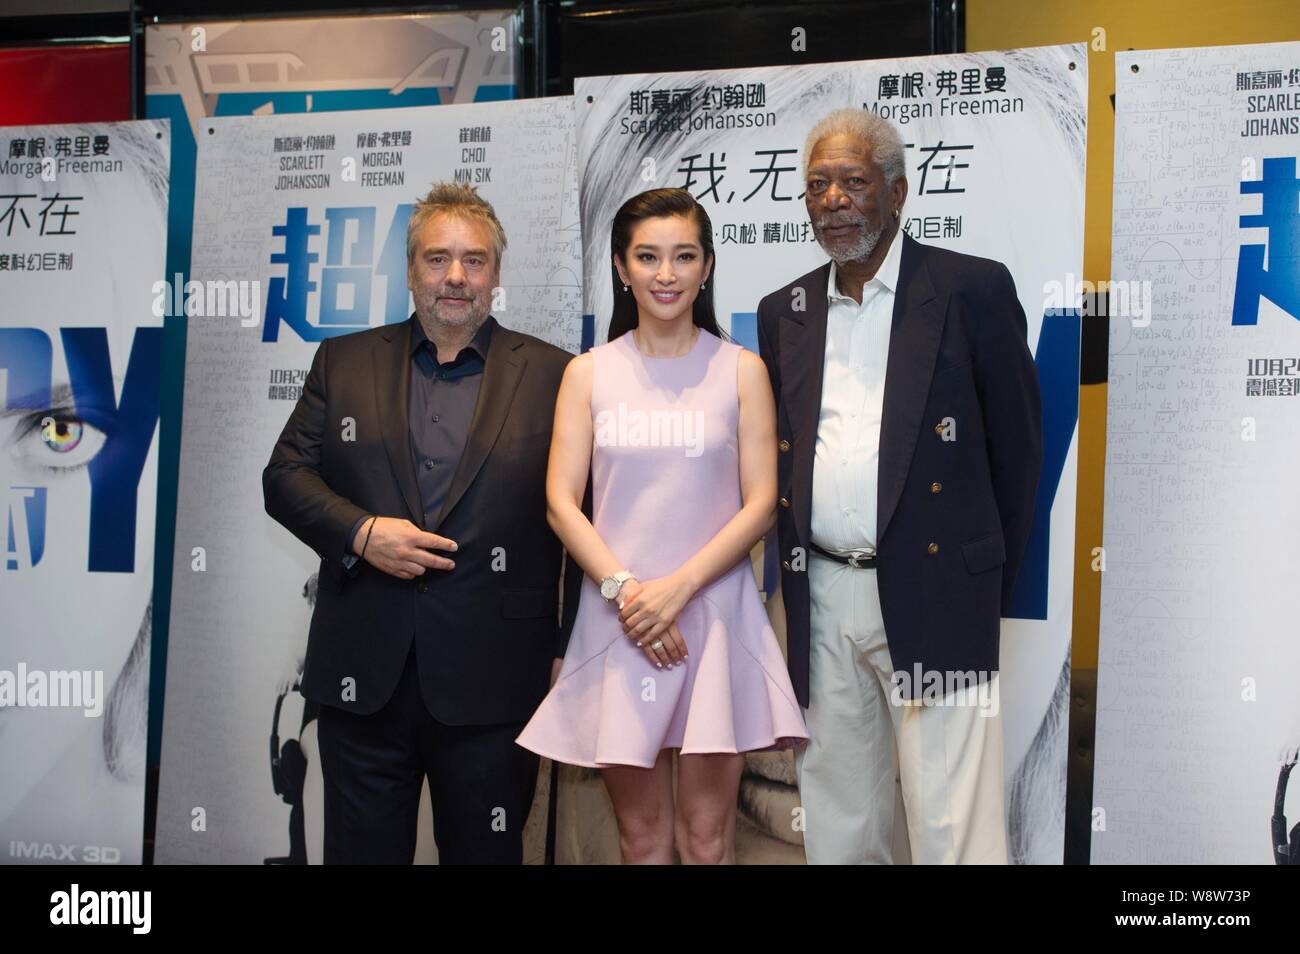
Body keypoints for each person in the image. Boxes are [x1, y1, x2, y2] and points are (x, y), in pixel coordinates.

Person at [756, 109, 1043, 864]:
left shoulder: (970, 290)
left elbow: (1018, 454)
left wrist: (982, 580)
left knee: (953, 821)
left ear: (898, 192)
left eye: (853, 181)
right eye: (817, 185)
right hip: (822, 592)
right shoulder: (784, 310)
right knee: (840, 811)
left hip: (939, 584)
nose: (833, 200)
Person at [263, 182, 579, 864]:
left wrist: (573, 643)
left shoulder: (558, 375)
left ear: (496, 272)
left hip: (497, 685)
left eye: (474, 260)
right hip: (363, 679)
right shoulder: (342, 362)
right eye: (437, 260)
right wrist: (360, 532)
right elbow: (284, 478)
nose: (455, 277)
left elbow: (583, 521)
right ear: (410, 271)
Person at [517, 187, 808, 865]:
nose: (666, 274)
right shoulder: (588, 374)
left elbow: (762, 503)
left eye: (684, 256)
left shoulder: (743, 371)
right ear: (622, 267)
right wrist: (626, 592)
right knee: (641, 840)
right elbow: (561, 501)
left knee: (708, 841)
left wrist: (676, 590)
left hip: (714, 618)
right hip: (619, 621)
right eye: (648, 256)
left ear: (707, 266)